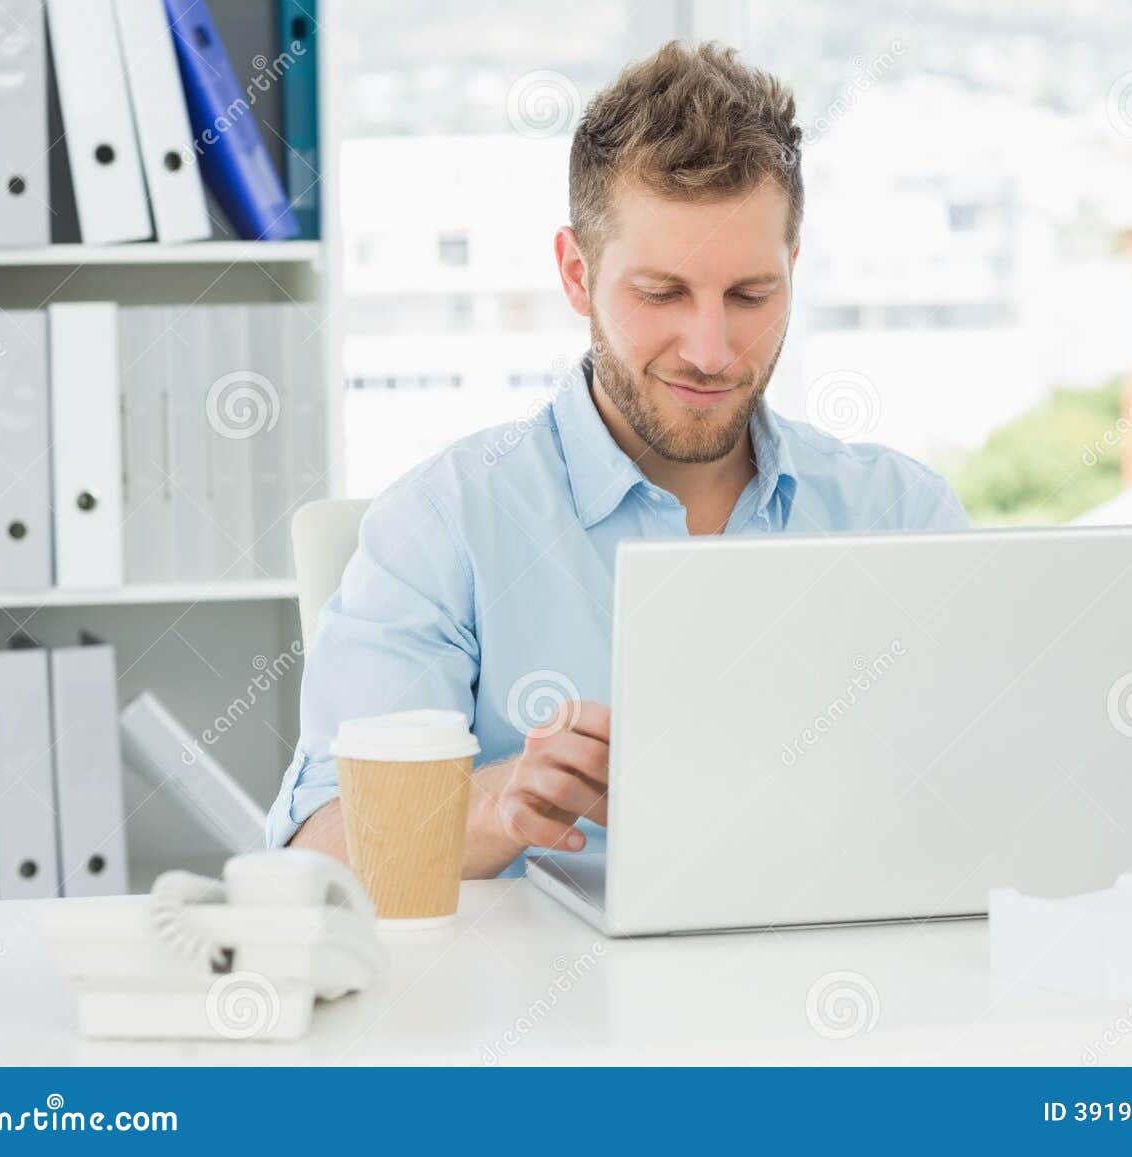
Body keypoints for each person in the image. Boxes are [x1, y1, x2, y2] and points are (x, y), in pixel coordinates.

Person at [267, 40, 969, 877]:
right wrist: (497, 805)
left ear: (792, 270)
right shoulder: (445, 523)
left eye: (751, 295)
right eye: (661, 293)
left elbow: (989, 797)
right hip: (545, 1005)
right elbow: (315, 855)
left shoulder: (901, 518)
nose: (711, 351)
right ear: (576, 274)